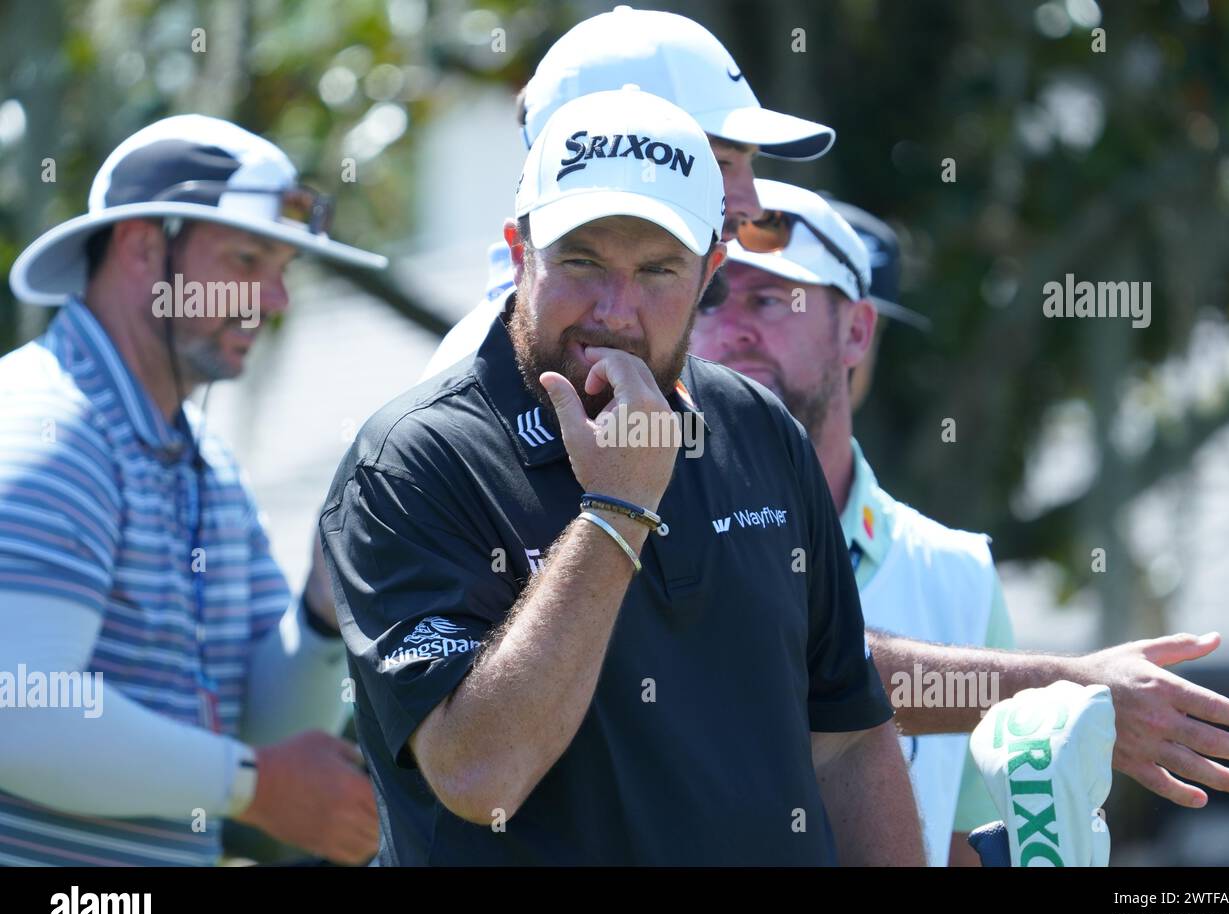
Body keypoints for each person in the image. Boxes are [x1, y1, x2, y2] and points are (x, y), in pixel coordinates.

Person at [320, 88, 925, 865]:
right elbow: (481, 775)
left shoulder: (756, 427)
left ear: (710, 268)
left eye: (657, 270)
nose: (615, 309)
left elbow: (845, 737)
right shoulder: (413, 461)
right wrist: (616, 509)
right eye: (581, 261)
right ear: (517, 252)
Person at [690, 180, 1229, 862]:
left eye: (769, 299)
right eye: (713, 300)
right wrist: (1075, 685)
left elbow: (964, 842)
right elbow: (790, 659)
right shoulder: (648, 527)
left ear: (855, 331)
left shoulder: (956, 572)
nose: (733, 329)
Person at [0, 114, 384, 866]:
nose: (273, 301)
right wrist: (255, 787)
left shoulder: (201, 461)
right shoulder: (49, 428)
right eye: (247, 260)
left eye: (281, 270)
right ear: (143, 246)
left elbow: (255, 731)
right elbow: (18, 711)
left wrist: (322, 610)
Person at [422, 5, 833, 380]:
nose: (752, 205)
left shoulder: (634, 350)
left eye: (749, 163)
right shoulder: (483, 376)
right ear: (611, 150)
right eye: (719, 164)